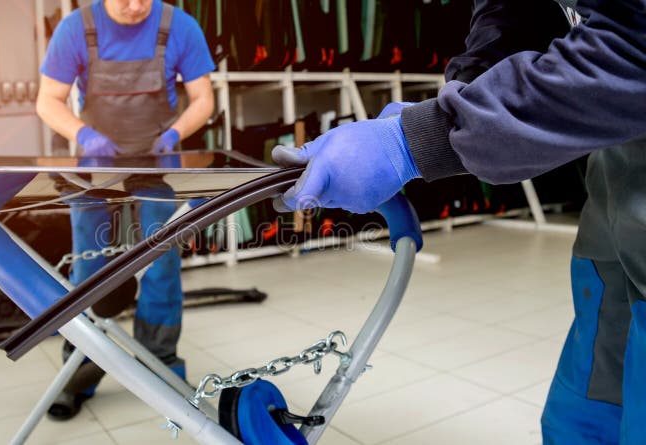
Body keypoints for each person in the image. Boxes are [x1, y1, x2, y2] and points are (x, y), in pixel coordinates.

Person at [273, 0, 646, 443]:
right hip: (620, 195)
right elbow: (514, 14)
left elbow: (634, 48)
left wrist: (418, 141)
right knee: (580, 418)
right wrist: (464, 100)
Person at [36, 0, 215, 420]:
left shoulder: (178, 25)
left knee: (161, 265)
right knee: (89, 272)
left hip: (158, 168)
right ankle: (78, 372)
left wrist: (175, 132)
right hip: (95, 172)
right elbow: (49, 101)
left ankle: (161, 369)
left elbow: (203, 98)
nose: (135, 7)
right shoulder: (75, 29)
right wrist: (84, 134)